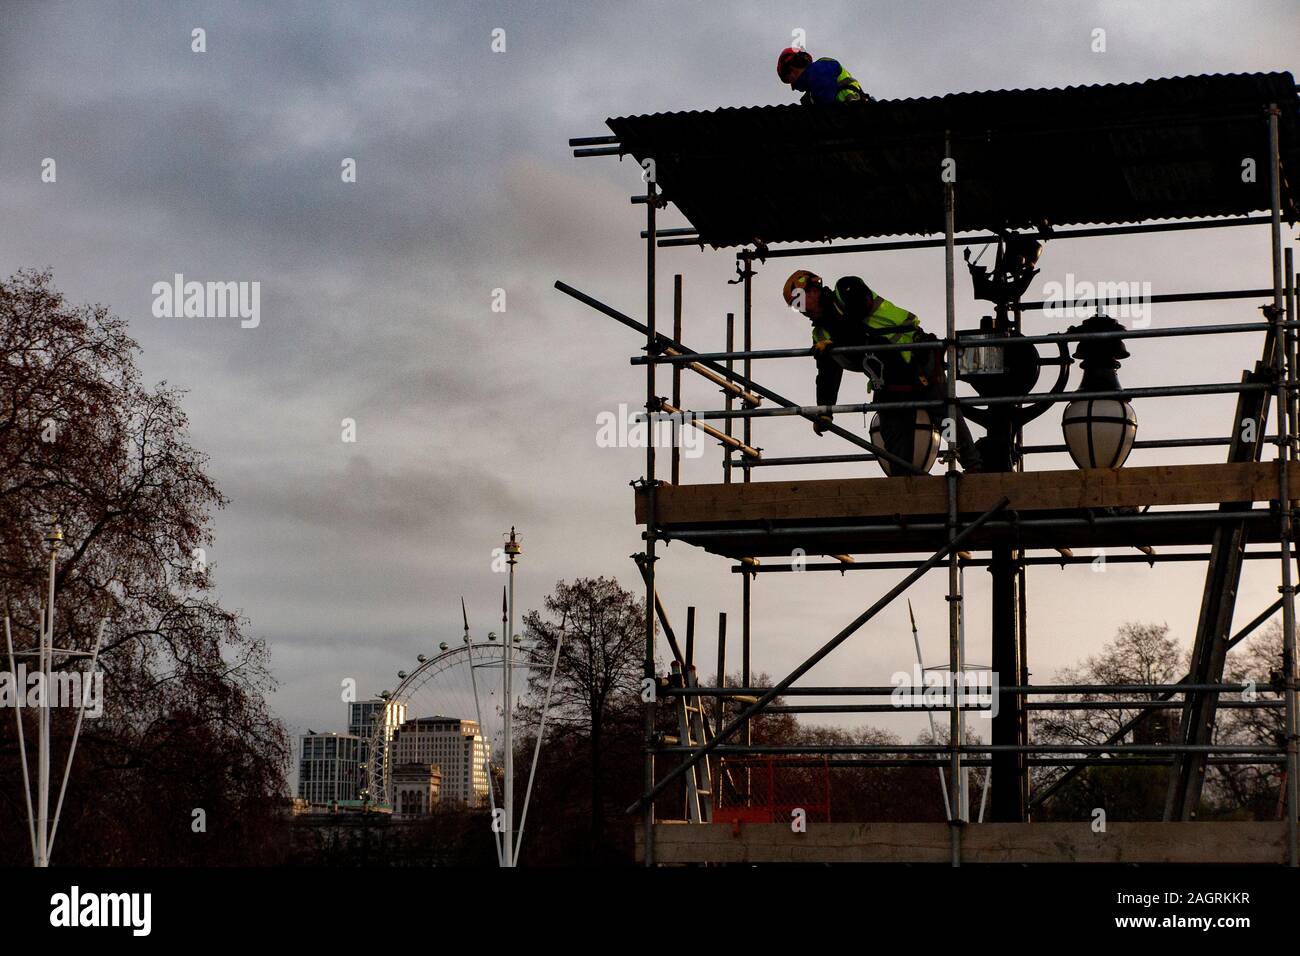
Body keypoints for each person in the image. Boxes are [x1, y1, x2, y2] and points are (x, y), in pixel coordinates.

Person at [782, 269, 980, 472]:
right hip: (888, 378)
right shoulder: (821, 334)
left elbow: (859, 311)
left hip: (915, 360)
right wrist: (824, 410)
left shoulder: (847, 288)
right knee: (892, 432)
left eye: (800, 299)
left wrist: (837, 340)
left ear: (815, 290)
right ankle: (903, 483)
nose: (801, 308)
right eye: (796, 306)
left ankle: (972, 466)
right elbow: (827, 374)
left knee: (945, 417)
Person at [776, 48, 868, 105]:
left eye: (788, 80)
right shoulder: (814, 84)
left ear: (792, 69)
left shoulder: (818, 70)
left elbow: (825, 106)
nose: (793, 87)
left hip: (852, 116)